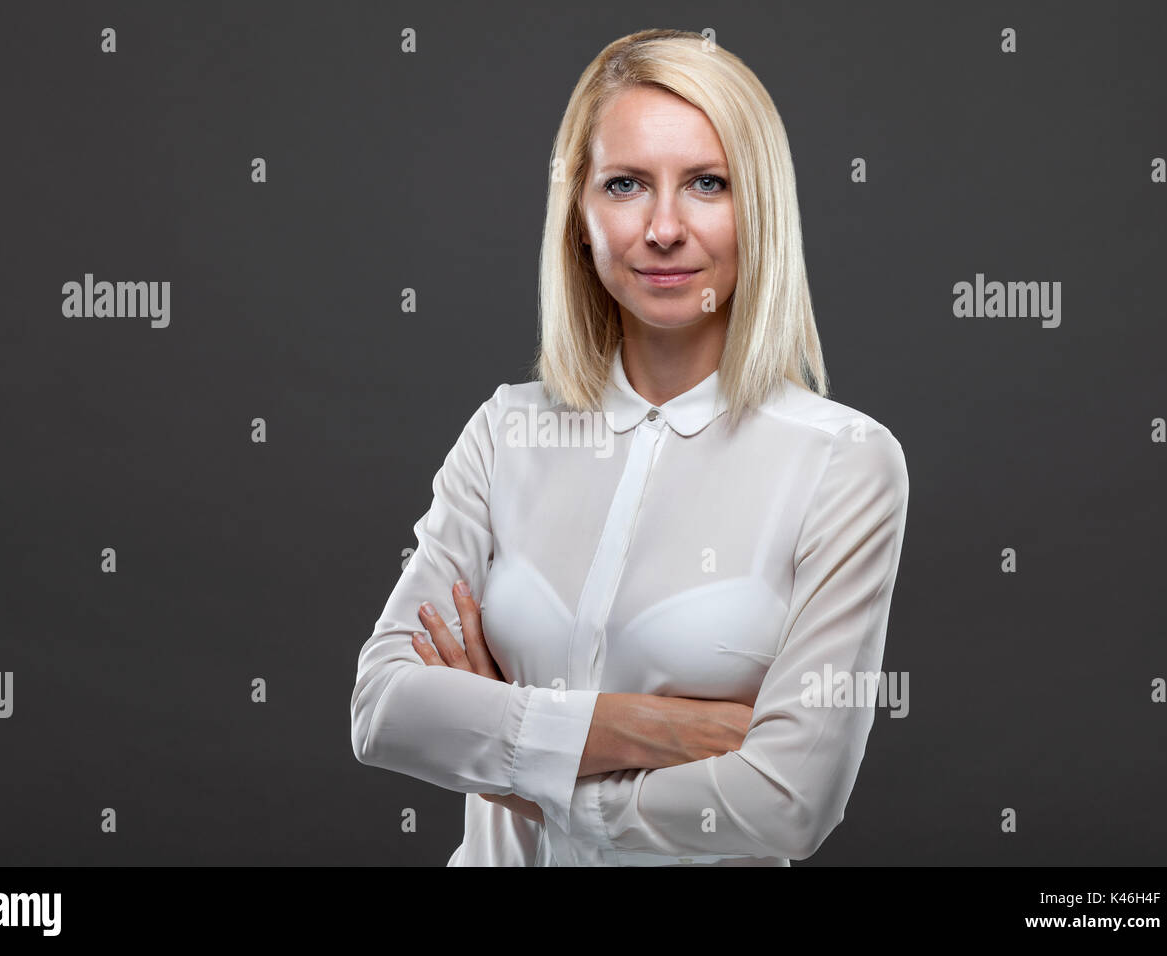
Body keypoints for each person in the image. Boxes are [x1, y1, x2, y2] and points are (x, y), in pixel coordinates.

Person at [350, 28, 910, 866]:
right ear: (578, 215)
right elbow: (385, 709)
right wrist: (648, 728)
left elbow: (791, 801)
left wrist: (510, 753)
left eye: (708, 184)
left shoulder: (845, 462)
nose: (663, 228)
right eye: (625, 185)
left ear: (759, 207)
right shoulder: (506, 432)